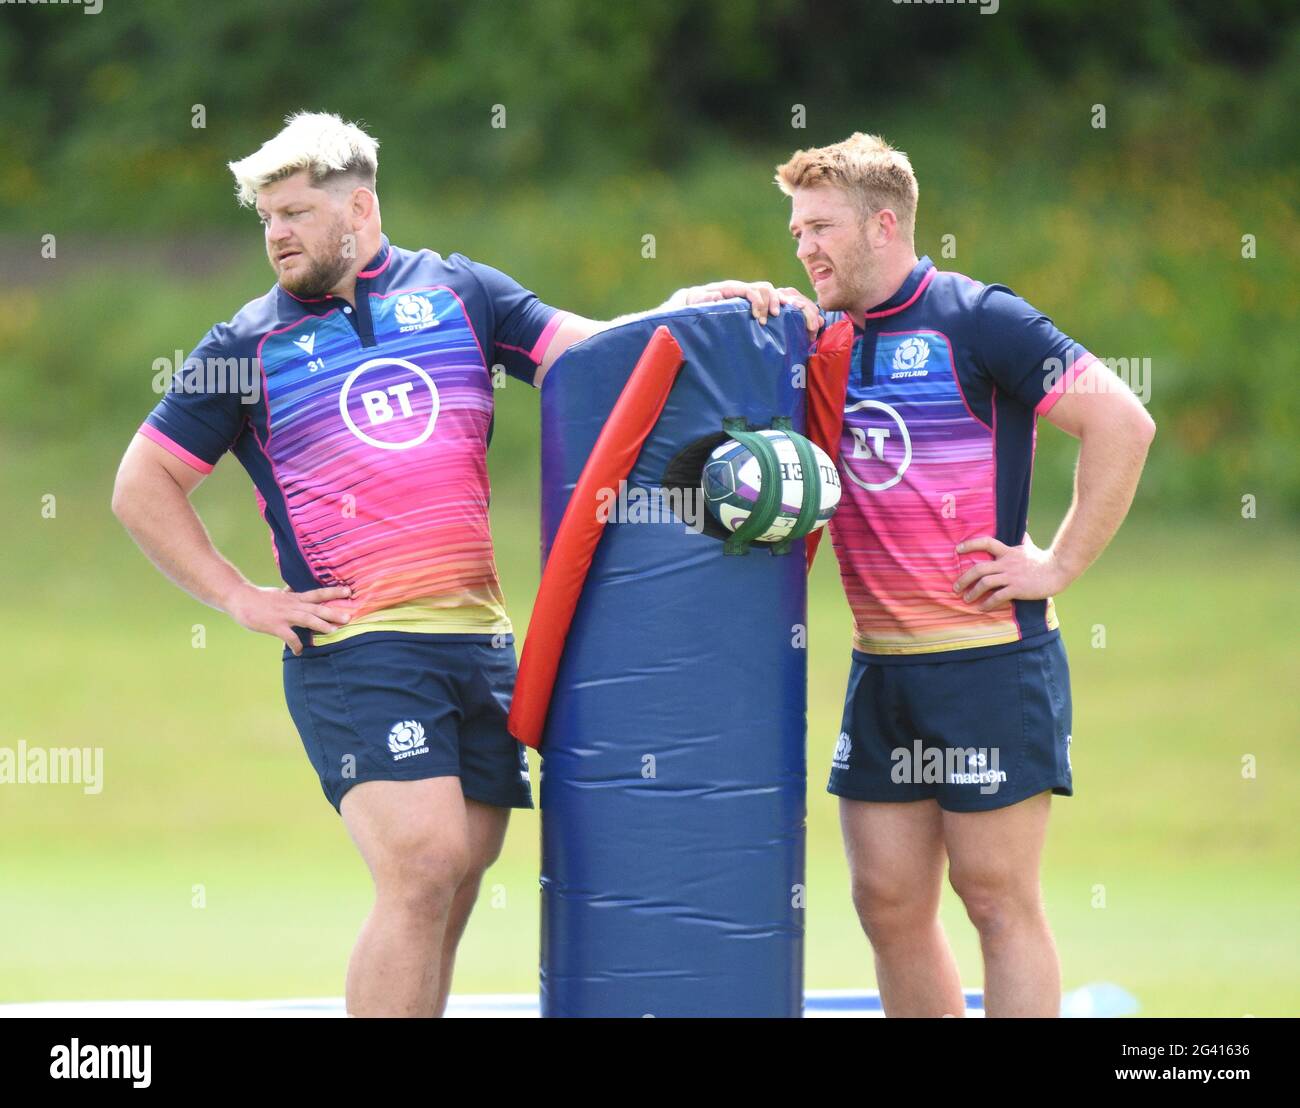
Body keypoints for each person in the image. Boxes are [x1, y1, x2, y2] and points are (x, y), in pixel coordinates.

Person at [111, 111, 817, 1017]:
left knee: (460, 874)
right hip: (358, 644)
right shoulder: (247, 344)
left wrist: (694, 306)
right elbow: (144, 483)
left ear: (358, 207)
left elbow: (599, 353)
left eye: (293, 212)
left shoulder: (460, 292)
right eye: (265, 219)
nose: (276, 234)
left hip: (478, 645)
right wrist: (242, 598)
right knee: (424, 862)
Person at [772, 133, 1155, 1016]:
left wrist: (1055, 563)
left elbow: (1122, 424)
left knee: (994, 899)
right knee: (889, 904)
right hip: (881, 668)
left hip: (989, 663)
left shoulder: (981, 319)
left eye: (821, 228)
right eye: (796, 233)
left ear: (883, 223)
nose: (805, 249)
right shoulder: (821, 336)